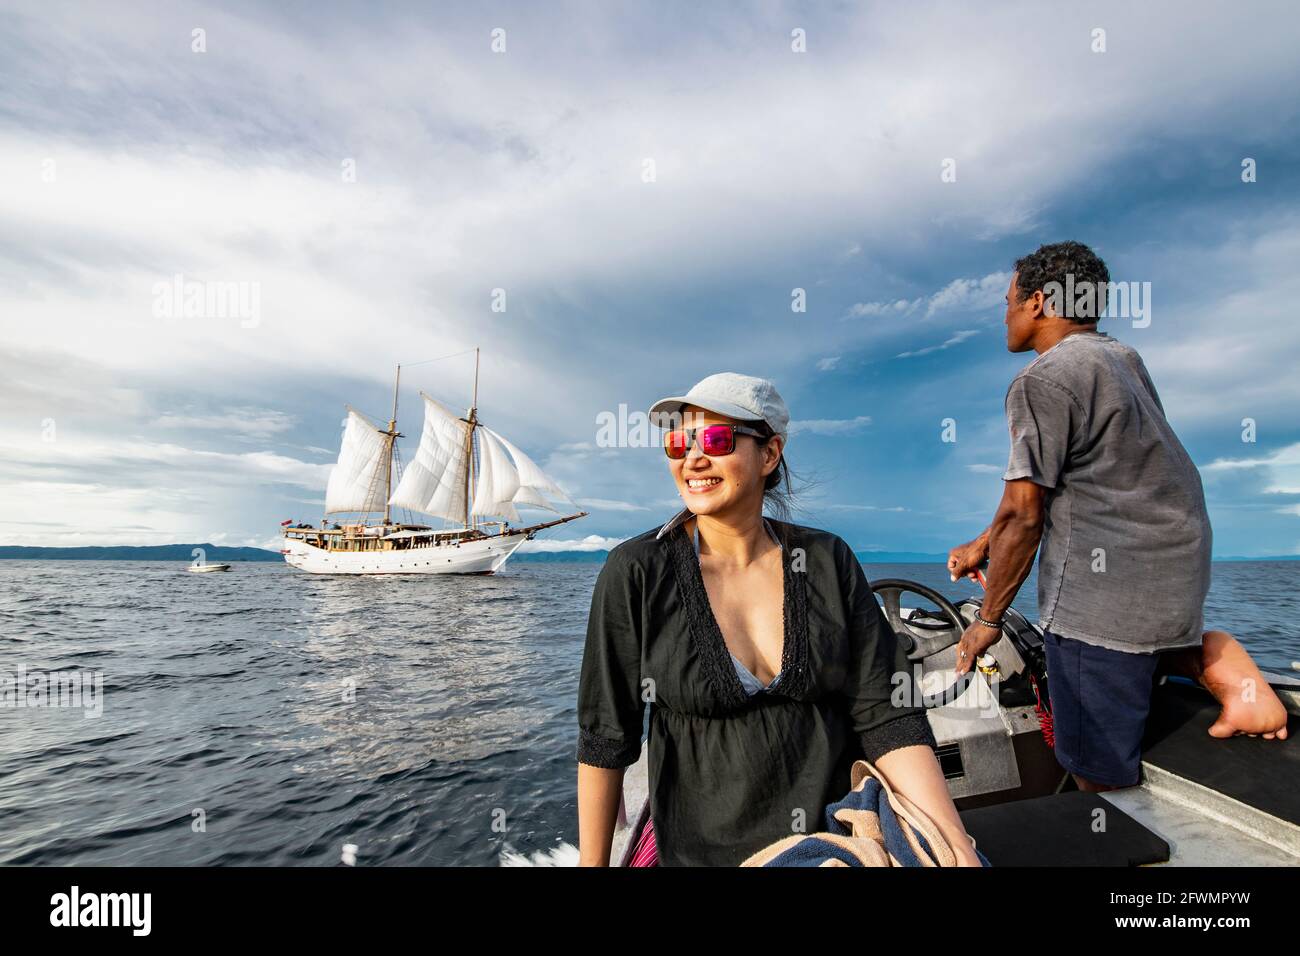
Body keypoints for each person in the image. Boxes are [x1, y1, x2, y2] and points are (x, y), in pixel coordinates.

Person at [576, 373, 980, 866]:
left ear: (769, 454)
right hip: (705, 854)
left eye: (717, 440)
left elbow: (888, 716)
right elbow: (605, 737)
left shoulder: (828, 559)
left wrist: (955, 845)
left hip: (840, 841)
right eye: (678, 443)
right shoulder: (636, 570)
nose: (693, 459)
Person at [947, 241, 1289, 794]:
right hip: (1173, 579)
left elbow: (1025, 511)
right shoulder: (1121, 359)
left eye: (1008, 301)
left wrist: (986, 623)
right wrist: (986, 541)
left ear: (1037, 303)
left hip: (1104, 606)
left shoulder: (1041, 380)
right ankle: (1213, 660)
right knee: (1145, 655)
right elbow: (1091, 478)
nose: (1004, 314)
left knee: (1095, 777)